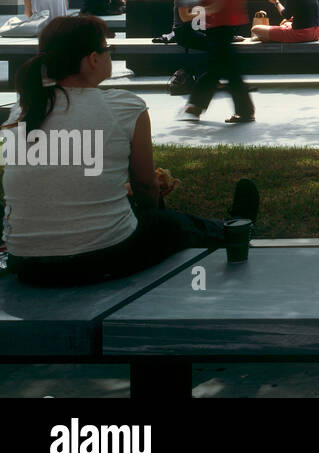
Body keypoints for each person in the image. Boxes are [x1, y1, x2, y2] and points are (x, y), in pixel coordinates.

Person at [2, 15, 259, 287]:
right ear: (93, 59)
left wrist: (121, 191)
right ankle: (237, 229)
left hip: (26, 264)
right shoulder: (124, 107)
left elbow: (51, 178)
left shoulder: (22, 112)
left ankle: (234, 227)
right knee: (174, 226)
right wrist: (152, 205)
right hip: (102, 258)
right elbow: (146, 187)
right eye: (107, 50)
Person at [181, 0, 254, 124]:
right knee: (226, 70)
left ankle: (196, 106)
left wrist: (202, 9)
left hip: (220, 28)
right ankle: (242, 111)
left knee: (219, 70)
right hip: (225, 27)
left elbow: (219, 3)